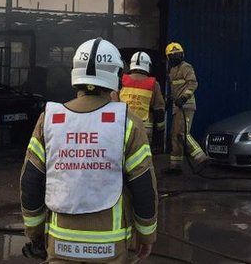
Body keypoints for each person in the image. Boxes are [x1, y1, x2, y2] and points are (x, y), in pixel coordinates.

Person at [20, 37, 158, 262]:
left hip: (60, 243)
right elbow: (143, 186)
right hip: (110, 247)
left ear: (76, 72)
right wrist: (146, 235)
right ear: (116, 75)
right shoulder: (128, 123)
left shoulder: (49, 120)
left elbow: (31, 180)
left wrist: (35, 232)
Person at [164, 42, 208, 175]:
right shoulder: (172, 71)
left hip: (186, 106)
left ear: (182, 55)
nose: (175, 58)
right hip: (177, 107)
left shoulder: (186, 67)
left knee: (182, 133)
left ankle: (201, 158)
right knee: (175, 135)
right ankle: (175, 167)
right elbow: (175, 89)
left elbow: (193, 83)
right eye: (172, 56)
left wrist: (184, 97)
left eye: (177, 55)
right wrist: (169, 100)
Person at [118, 52, 166, 144]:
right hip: (144, 128)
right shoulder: (153, 84)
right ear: (148, 66)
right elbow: (159, 109)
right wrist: (160, 131)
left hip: (123, 125)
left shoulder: (122, 81)